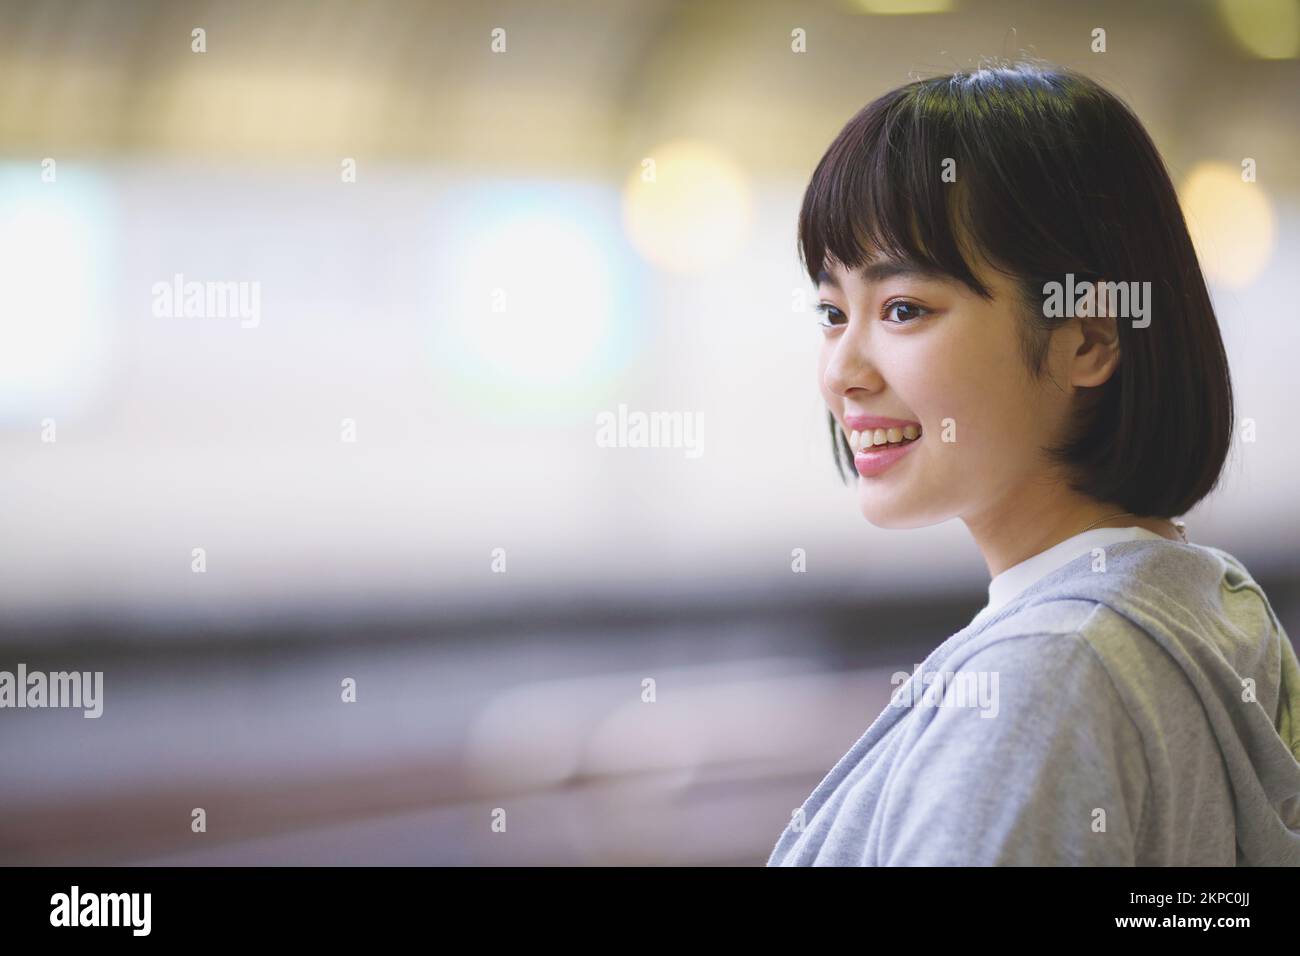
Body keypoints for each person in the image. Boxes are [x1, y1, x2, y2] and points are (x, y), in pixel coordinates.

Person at [767, 62, 1300, 865]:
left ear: (1087, 338)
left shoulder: (1037, 681)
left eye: (903, 308)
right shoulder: (1218, 610)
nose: (843, 370)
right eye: (833, 313)